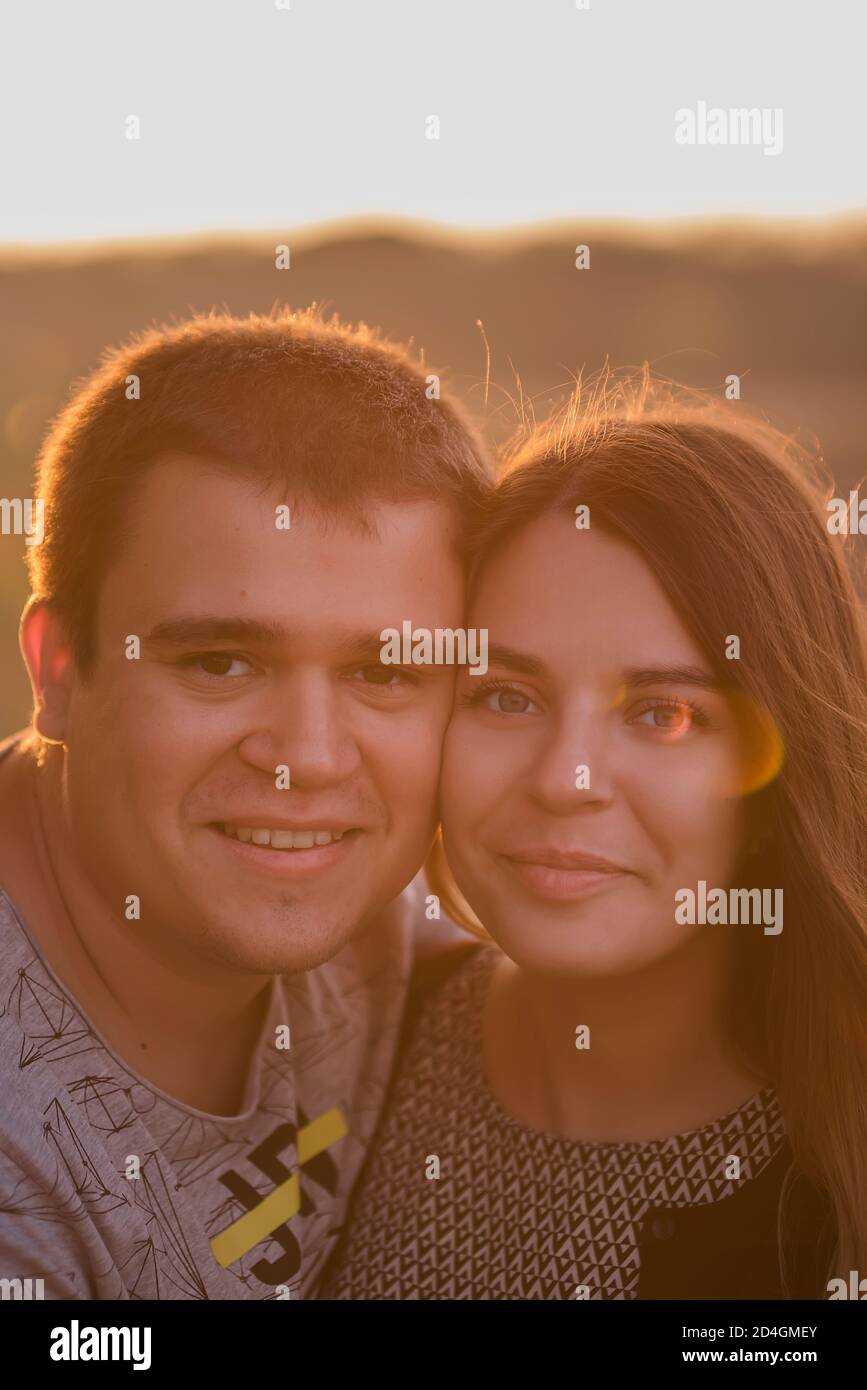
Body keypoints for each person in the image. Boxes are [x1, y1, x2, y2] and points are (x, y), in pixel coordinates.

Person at [321, 372, 867, 1300]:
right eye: (506, 697)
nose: (563, 780)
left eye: (663, 714)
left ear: (782, 770)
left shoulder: (830, 1192)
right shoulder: (339, 1045)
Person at [0, 308, 489, 1299]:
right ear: (57, 670)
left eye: (383, 673)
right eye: (220, 662)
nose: (306, 758)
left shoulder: (390, 934)